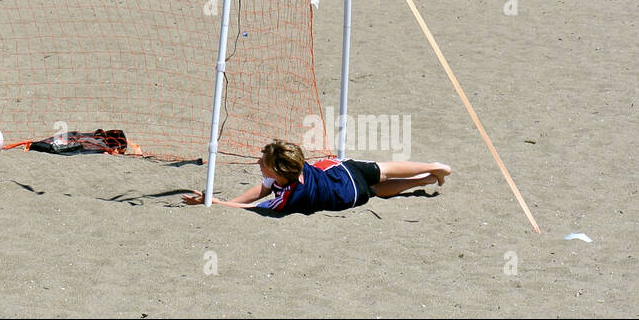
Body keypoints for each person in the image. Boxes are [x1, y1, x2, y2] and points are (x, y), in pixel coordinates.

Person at [182, 139, 450, 214]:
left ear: (278, 171)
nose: (258, 163)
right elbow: (262, 189)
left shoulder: (289, 197)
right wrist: (222, 199)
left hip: (346, 192)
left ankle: (422, 180)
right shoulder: (293, 168)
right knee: (384, 169)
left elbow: (254, 206)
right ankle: (431, 167)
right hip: (338, 167)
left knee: (379, 189)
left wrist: (215, 202)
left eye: (262, 163)